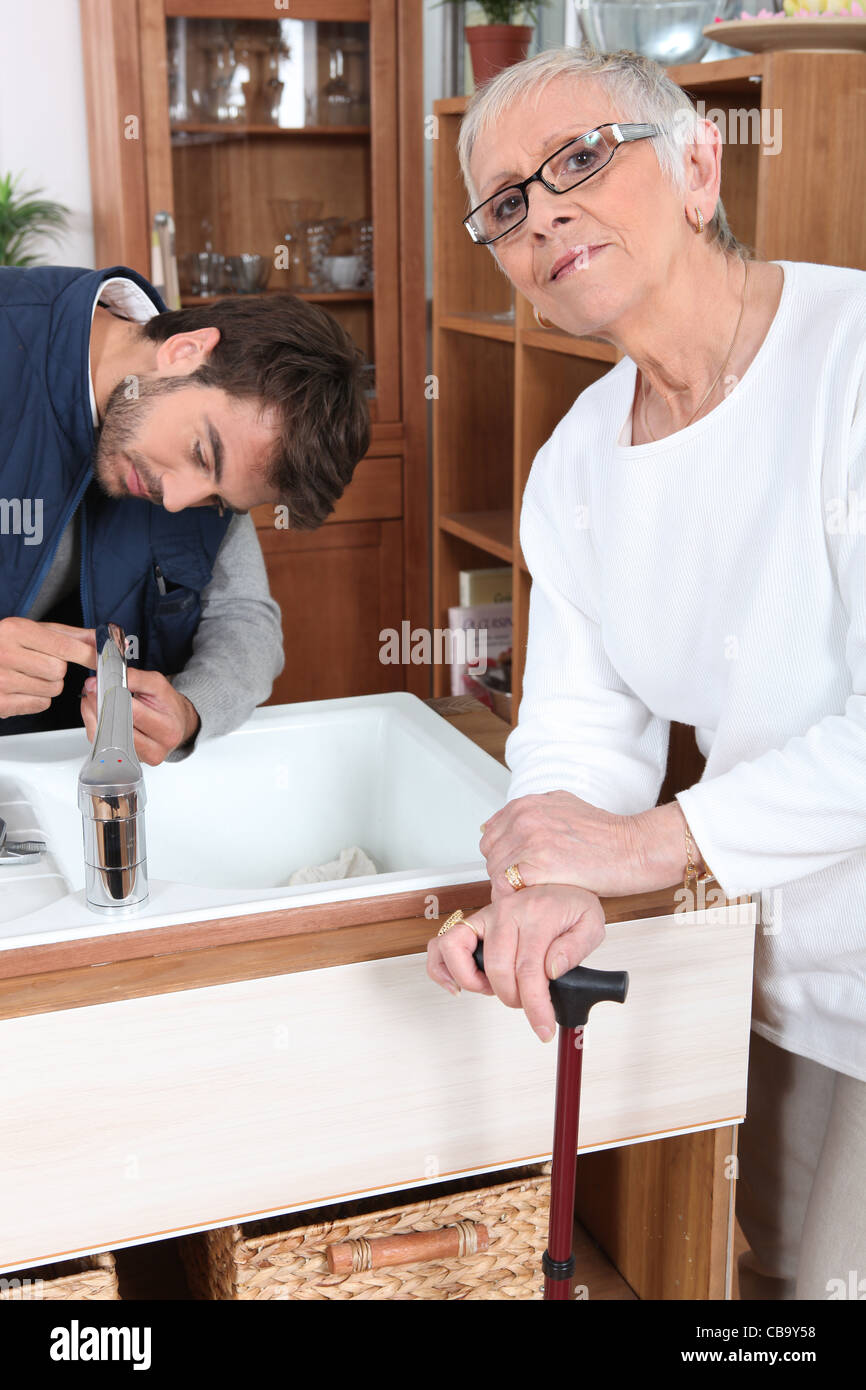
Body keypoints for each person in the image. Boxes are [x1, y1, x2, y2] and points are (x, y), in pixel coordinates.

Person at [426, 45, 866, 1300]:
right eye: (505, 204)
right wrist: (548, 879)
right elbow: (571, 734)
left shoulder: (846, 362)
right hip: (771, 959)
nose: (543, 211)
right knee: (780, 1284)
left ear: (693, 165)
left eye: (577, 159)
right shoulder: (575, 464)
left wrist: (647, 847)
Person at [0, 264, 370, 763]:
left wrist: (193, 710)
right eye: (202, 453)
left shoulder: (221, 442)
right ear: (184, 351)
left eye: (217, 499)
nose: (175, 500)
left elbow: (245, 618)